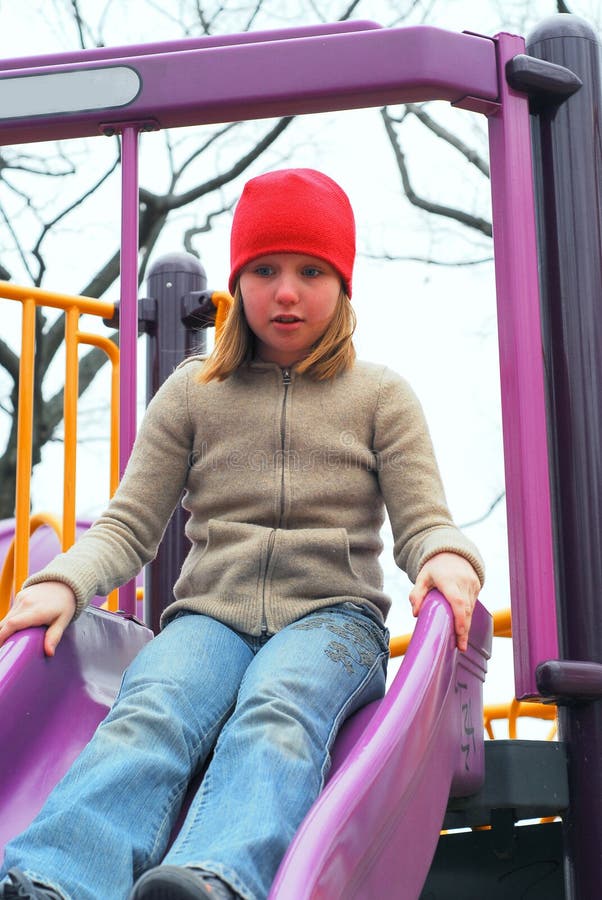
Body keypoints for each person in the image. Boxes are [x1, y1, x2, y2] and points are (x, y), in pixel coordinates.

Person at [0, 168, 484, 900]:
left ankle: (216, 877)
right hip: (209, 618)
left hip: (332, 621)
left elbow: (424, 523)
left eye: (310, 271)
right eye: (264, 270)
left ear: (342, 284)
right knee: (153, 705)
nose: (285, 292)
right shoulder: (195, 394)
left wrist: (449, 558)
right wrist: (63, 581)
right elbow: (130, 523)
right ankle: (57, 877)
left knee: (279, 711)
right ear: (239, 280)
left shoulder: (381, 396)